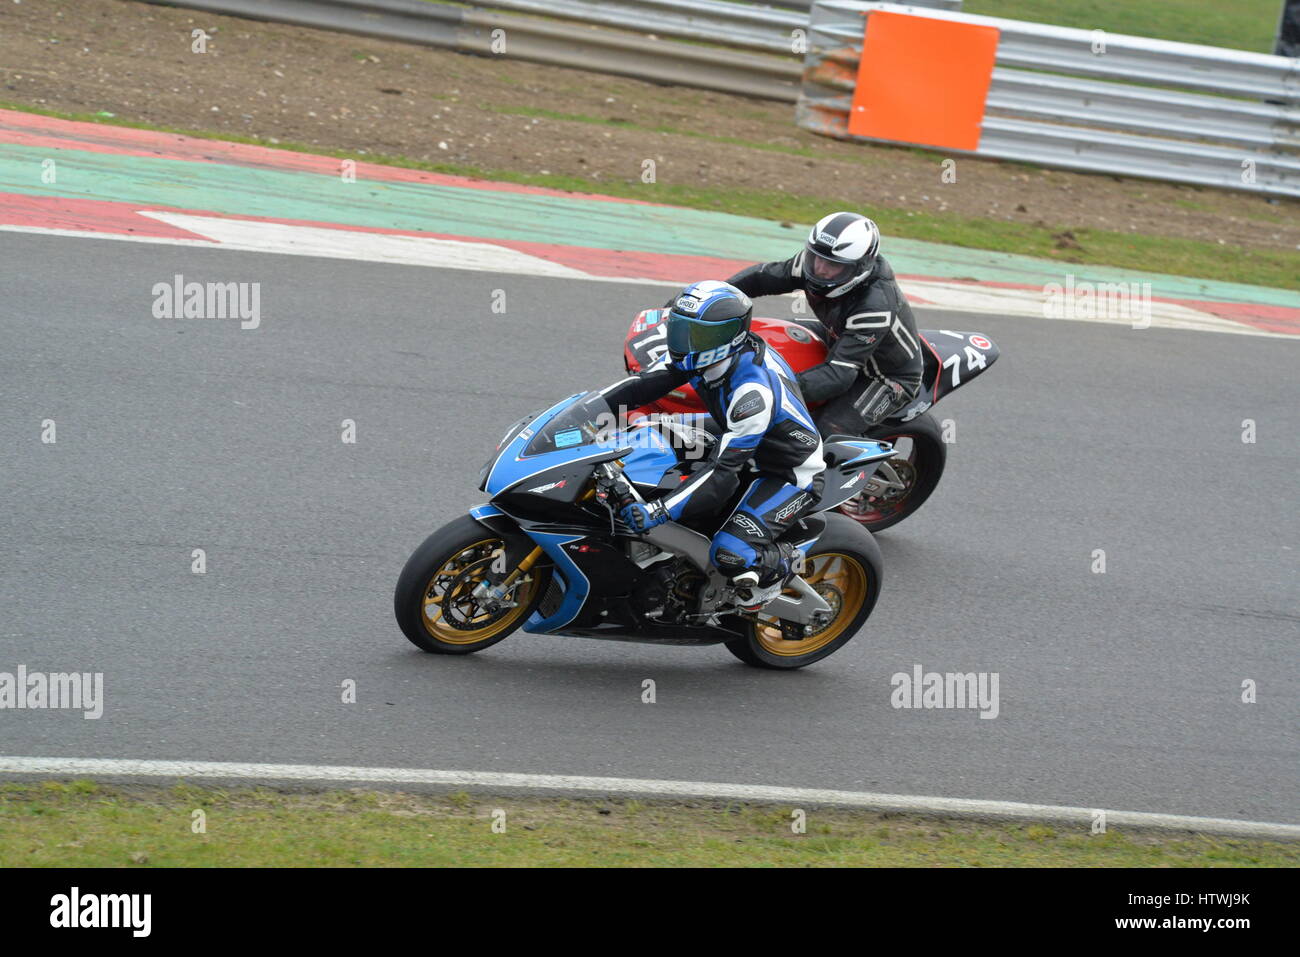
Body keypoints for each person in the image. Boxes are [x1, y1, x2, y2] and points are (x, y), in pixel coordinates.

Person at [599, 280, 825, 609]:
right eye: (680, 330)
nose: (684, 342)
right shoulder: (700, 355)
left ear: (728, 337)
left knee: (730, 553)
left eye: (697, 335)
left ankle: (779, 564)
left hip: (786, 472)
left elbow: (722, 472)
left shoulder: (752, 393)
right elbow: (639, 388)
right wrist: (590, 411)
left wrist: (658, 511)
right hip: (735, 433)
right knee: (643, 434)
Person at [727, 211, 923, 438]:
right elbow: (761, 278)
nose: (820, 269)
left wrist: (770, 390)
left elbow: (839, 375)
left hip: (884, 376)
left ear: (859, 267)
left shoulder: (874, 305)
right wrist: (709, 296)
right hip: (837, 335)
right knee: (769, 339)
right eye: (816, 257)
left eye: (832, 265)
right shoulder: (814, 264)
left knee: (821, 434)